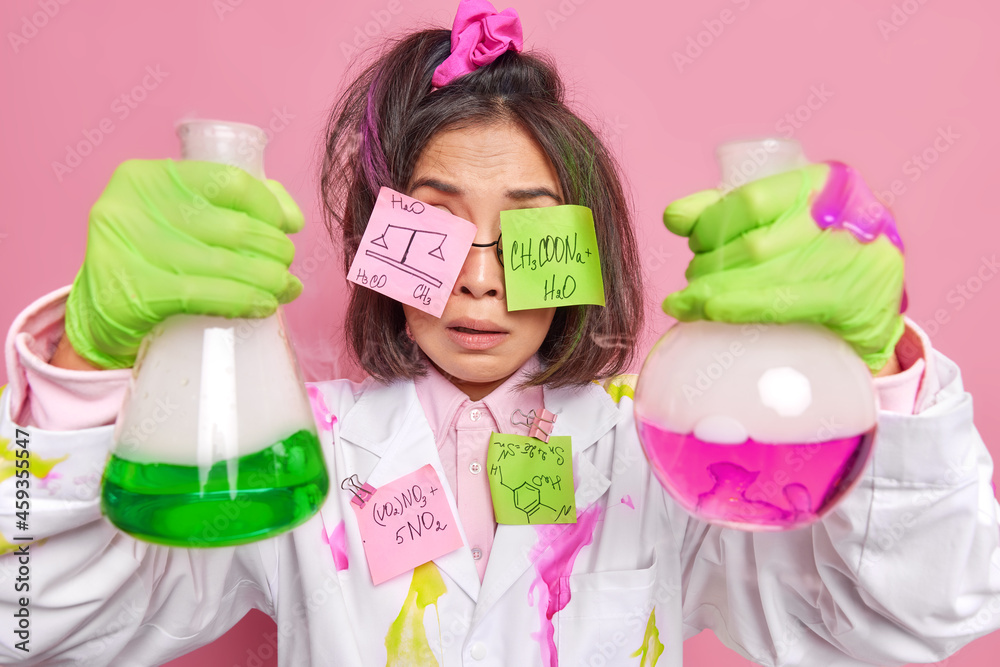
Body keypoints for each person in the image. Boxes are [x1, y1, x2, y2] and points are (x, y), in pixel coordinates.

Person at [2, 1, 999, 665]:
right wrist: (88, 356)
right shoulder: (283, 441)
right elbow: (27, 614)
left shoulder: (676, 453)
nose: (478, 276)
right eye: (434, 223)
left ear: (589, 253)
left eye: (527, 230)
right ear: (378, 246)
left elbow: (925, 609)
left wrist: (873, 368)